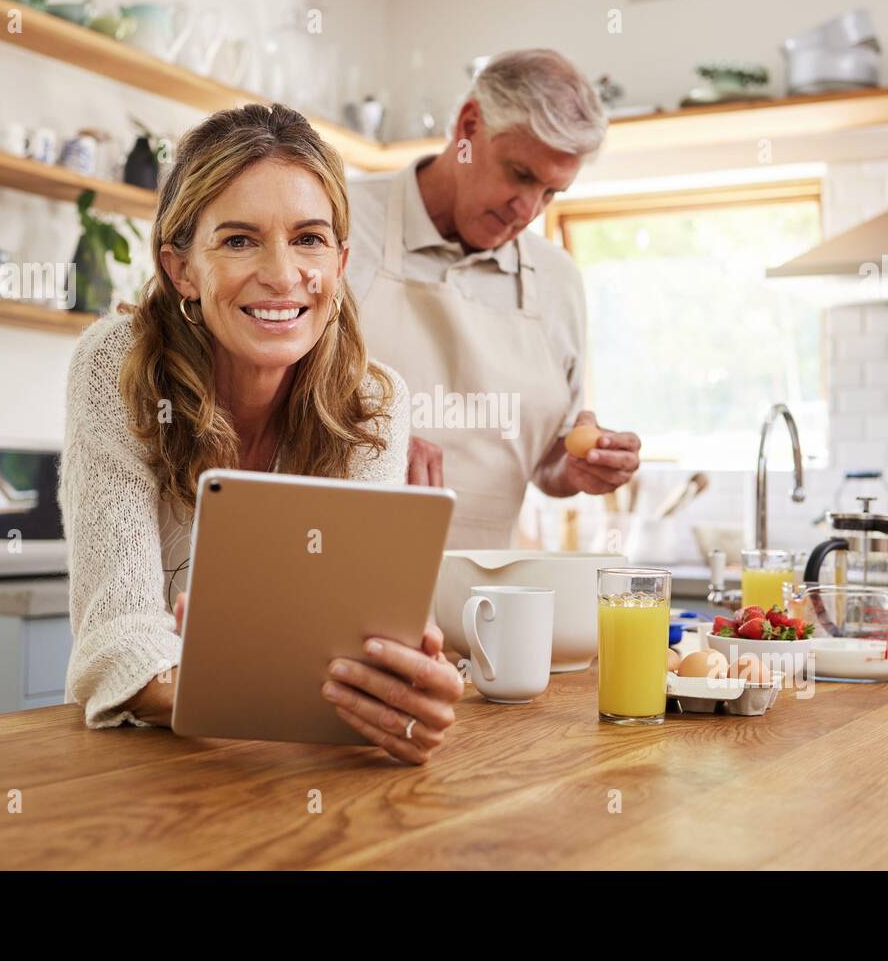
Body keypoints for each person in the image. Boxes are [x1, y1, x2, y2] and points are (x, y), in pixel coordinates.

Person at [57, 103, 462, 766]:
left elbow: (356, 640)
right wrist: (240, 680)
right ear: (182, 269)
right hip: (152, 770)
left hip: (299, 769)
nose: (282, 274)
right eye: (239, 240)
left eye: (309, 238)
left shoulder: (375, 400)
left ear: (340, 262)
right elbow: (117, 631)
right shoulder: (117, 366)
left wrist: (402, 683)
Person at [346, 48, 643, 550]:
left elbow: (547, 461)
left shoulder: (557, 280)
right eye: (520, 174)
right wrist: (373, 443)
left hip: (485, 596)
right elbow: (258, 399)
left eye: (551, 193)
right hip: (343, 566)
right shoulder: (337, 223)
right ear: (468, 127)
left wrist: (579, 468)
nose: (527, 210)